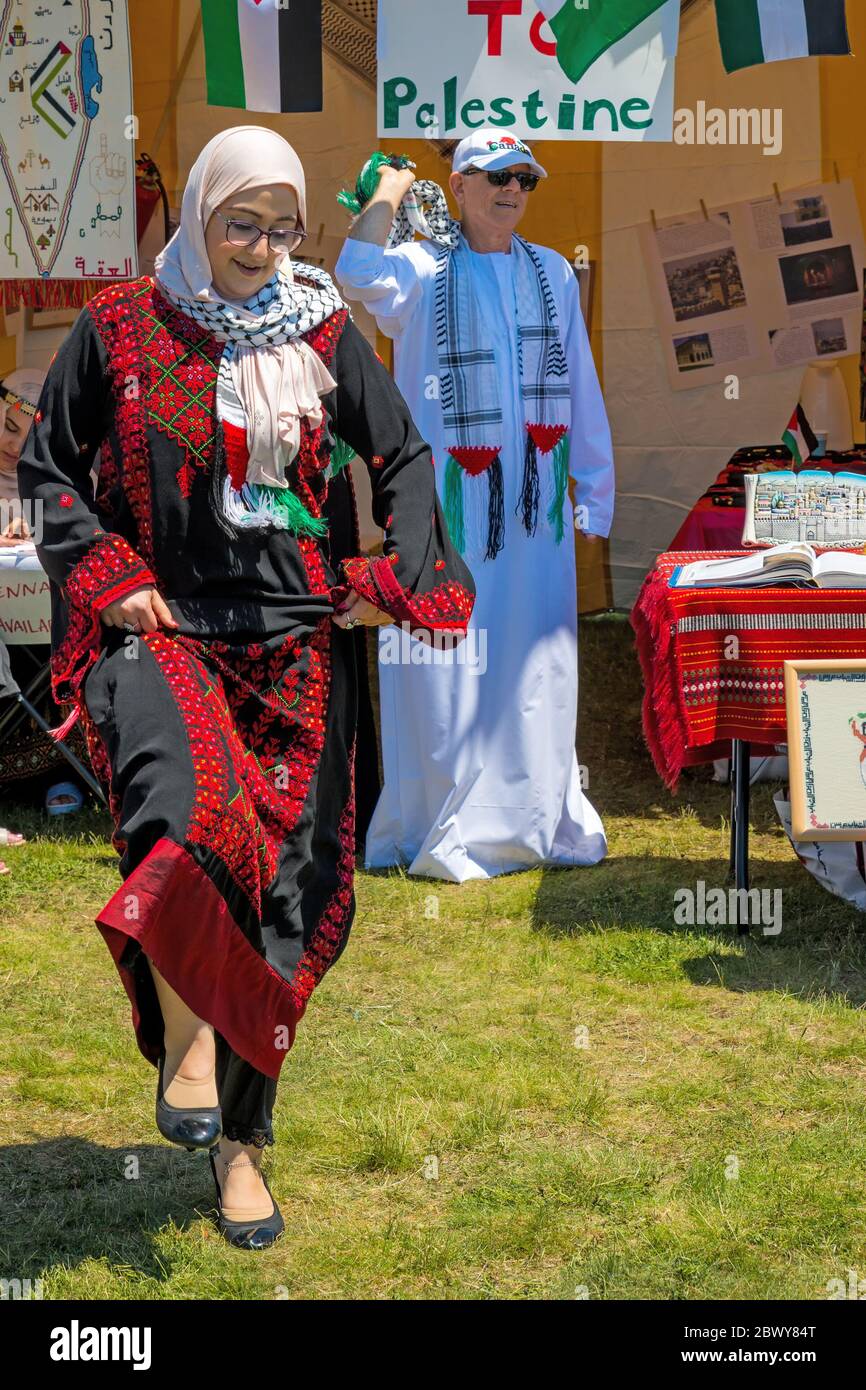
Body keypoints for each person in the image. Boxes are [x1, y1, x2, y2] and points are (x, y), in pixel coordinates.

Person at [18, 126, 474, 1248]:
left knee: (286, 895)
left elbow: (404, 459)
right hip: (161, 625)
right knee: (186, 813)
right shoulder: (119, 327)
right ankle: (187, 1047)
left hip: (298, 647)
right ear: (201, 217)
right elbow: (45, 469)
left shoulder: (320, 324)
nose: (263, 248)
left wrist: (389, 576)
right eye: (242, 224)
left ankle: (241, 1149)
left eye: (282, 227)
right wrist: (108, 572)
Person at [335, 131, 614, 882]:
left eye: (524, 178)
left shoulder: (553, 271)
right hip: (450, 502)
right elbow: (353, 271)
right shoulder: (422, 265)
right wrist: (389, 194)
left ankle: (530, 818)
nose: (512, 189)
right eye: (495, 176)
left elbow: (580, 382)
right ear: (458, 186)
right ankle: (444, 822)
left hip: (532, 509)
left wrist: (594, 485)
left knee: (535, 660)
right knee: (446, 656)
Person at [0, 368, 85, 818]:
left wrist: (41, 528)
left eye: (27, 434)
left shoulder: (60, 476)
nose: (14, 447)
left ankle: (58, 771)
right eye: (7, 427)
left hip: (42, 626)